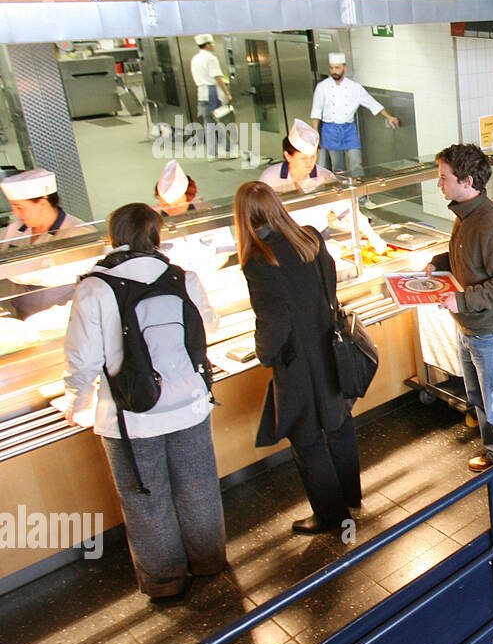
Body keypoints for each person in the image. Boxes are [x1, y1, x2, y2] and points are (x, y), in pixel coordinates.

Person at [62, 202, 225, 602]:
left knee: (144, 499)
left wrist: (75, 401)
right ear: (157, 235)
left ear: (112, 237)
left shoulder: (94, 287)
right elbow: (209, 324)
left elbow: (83, 358)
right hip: (189, 403)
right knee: (199, 486)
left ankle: (166, 580)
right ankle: (208, 562)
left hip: (131, 416)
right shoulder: (182, 276)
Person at [234, 181, 361, 535]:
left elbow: (272, 320)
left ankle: (331, 516)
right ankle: (351, 496)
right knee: (338, 422)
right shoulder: (308, 237)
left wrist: (264, 354)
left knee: (306, 438)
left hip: (297, 361)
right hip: (328, 346)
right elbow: (330, 282)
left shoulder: (260, 259)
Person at [426, 144, 493, 508]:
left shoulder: (490, 224)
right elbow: (467, 257)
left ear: (467, 181)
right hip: (470, 327)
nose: (439, 184)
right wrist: (440, 261)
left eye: (444, 177)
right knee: (481, 399)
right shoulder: (465, 215)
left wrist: (462, 300)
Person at [259, 118, 387, 251]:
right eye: (303, 158)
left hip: (319, 238)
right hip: (283, 241)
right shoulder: (269, 178)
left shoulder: (325, 177)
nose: (310, 163)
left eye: (313, 157)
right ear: (288, 156)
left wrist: (371, 234)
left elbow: (347, 211)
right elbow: (258, 216)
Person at [1, 168, 94, 318]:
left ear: (43, 203)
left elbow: (48, 273)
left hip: (63, 318)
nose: (14, 213)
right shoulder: (16, 229)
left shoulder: (77, 233)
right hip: (21, 316)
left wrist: (9, 270)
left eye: (19, 207)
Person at [310, 52, 400, 178]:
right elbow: (316, 112)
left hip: (349, 129)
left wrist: (389, 117)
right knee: (338, 167)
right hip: (330, 130)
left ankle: (361, 196)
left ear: (344, 68)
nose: (334, 71)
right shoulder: (322, 87)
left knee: (356, 164)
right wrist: (315, 134)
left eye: (337, 68)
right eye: (331, 68)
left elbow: (372, 103)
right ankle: (343, 194)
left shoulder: (354, 87)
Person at [190, 34, 234, 159]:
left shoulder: (195, 58)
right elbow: (217, 77)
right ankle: (228, 149)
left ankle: (212, 153)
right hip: (212, 92)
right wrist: (227, 93)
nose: (214, 45)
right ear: (208, 44)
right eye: (212, 43)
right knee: (220, 122)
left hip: (201, 93)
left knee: (209, 124)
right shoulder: (210, 58)